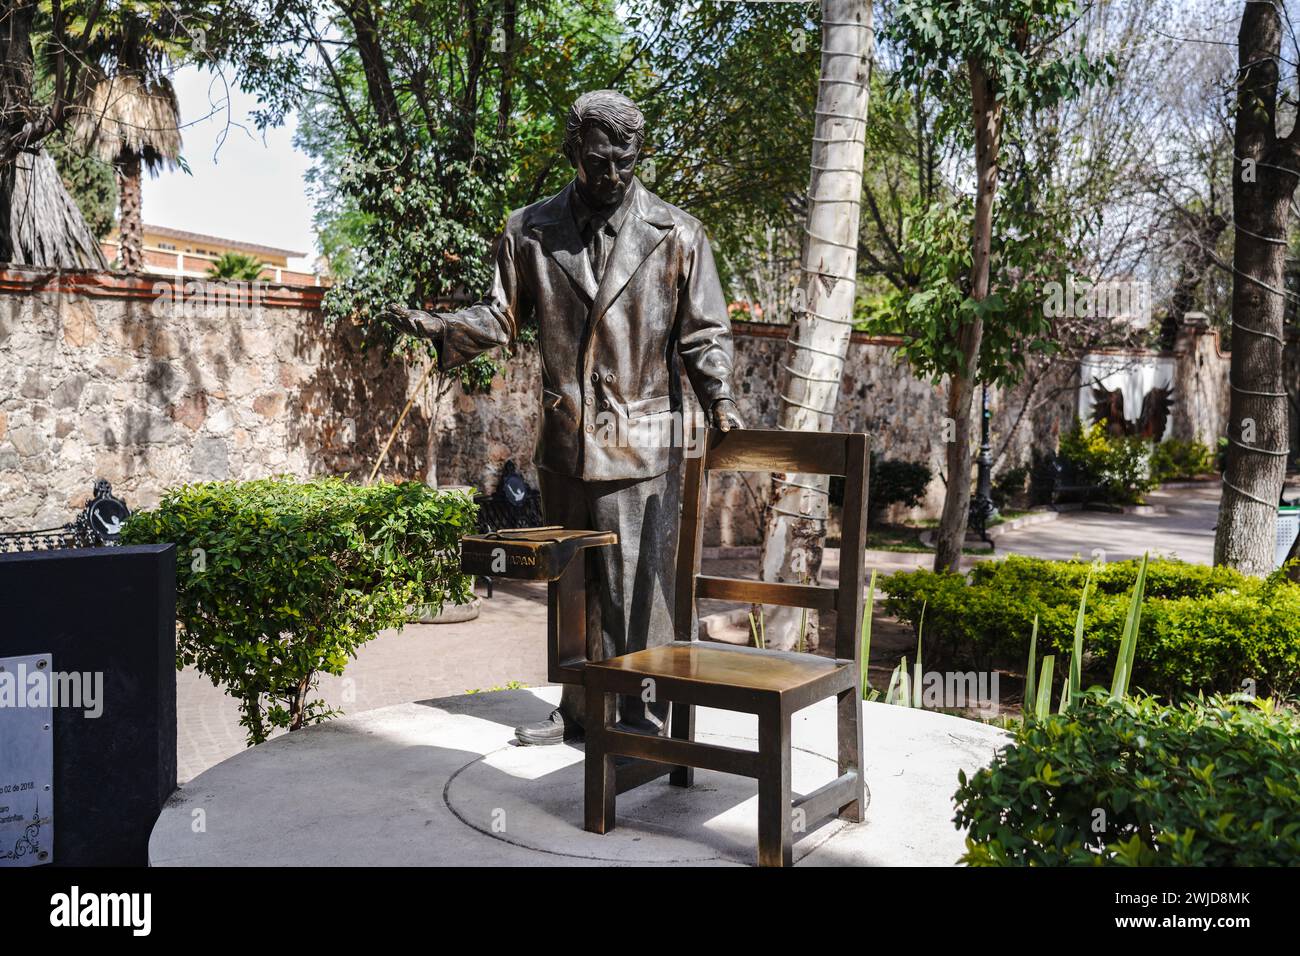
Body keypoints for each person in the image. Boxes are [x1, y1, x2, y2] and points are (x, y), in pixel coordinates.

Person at [382, 89, 743, 744]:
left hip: (641, 439)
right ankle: (579, 711)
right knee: (572, 591)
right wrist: (441, 328)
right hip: (568, 440)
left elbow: (703, 333)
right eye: (598, 160)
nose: (611, 174)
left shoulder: (678, 234)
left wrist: (719, 398)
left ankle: (644, 717)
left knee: (639, 588)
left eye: (624, 161)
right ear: (572, 150)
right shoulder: (528, 229)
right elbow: (499, 316)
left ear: (640, 153)